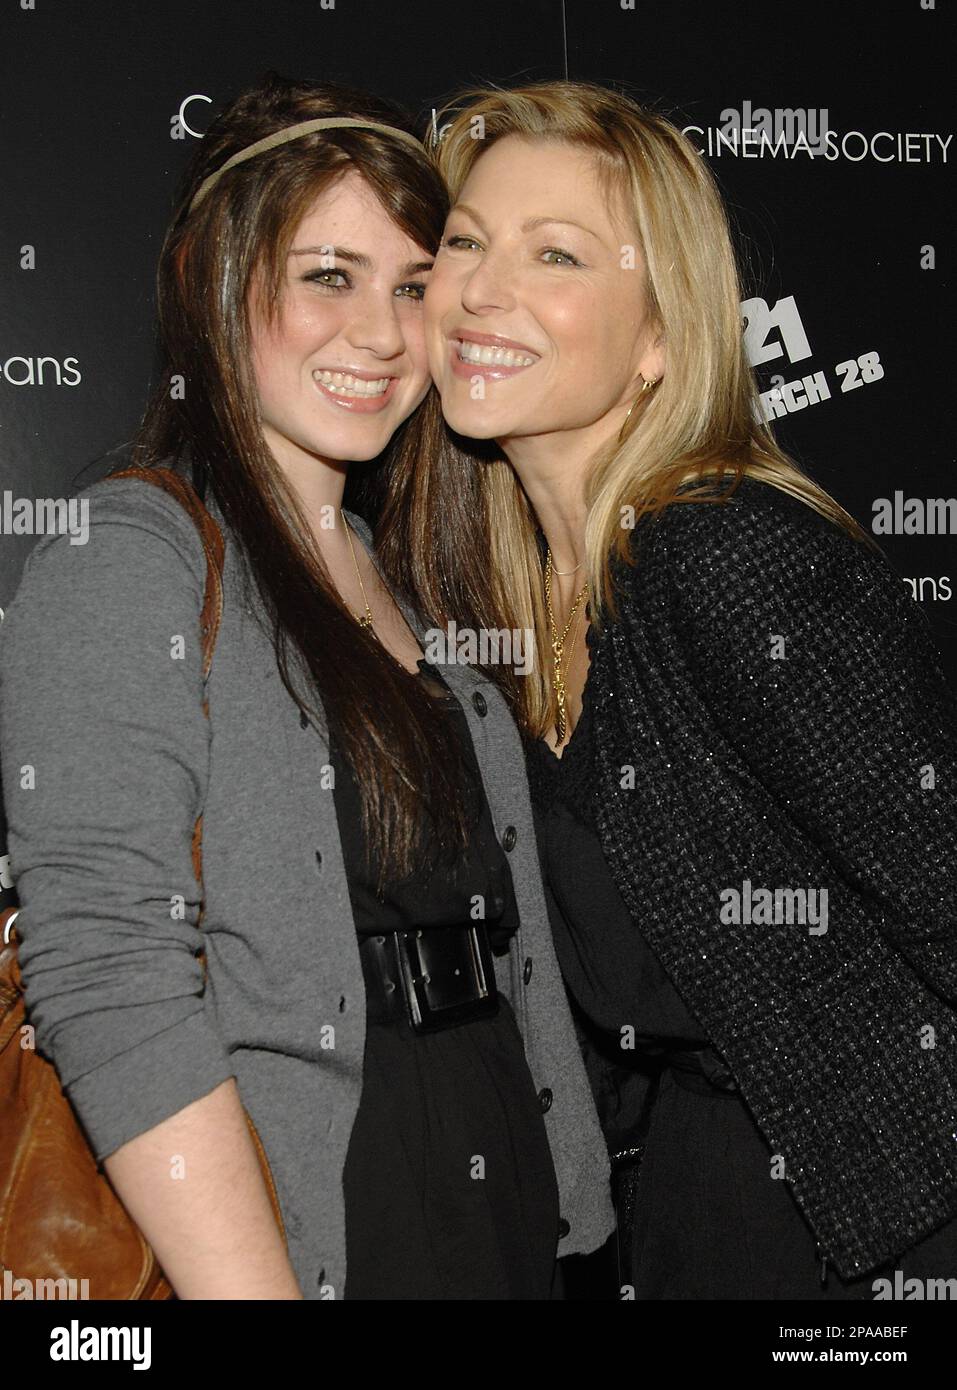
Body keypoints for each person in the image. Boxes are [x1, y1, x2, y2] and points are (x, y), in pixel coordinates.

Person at [0, 71, 613, 1301]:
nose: (384, 335)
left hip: (502, 1212)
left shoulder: (420, 579)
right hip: (324, 1229)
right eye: (328, 276)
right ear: (222, 285)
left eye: (411, 287)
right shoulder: (134, 556)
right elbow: (112, 973)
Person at [373, 78, 957, 1298]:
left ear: (658, 338)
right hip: (704, 1208)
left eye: (557, 255)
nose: (480, 289)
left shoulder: (728, 555)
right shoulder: (516, 610)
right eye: (467, 243)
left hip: (890, 1219)